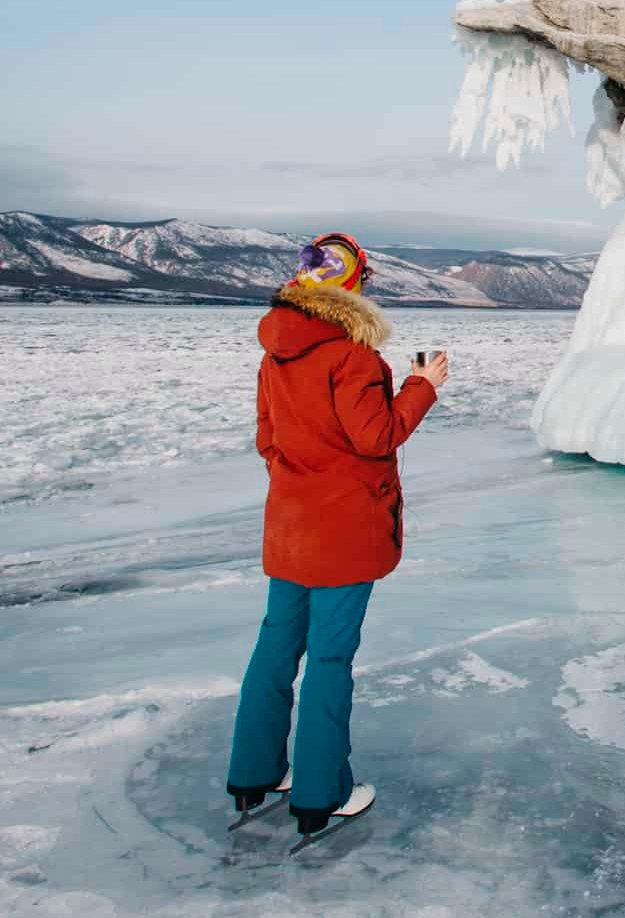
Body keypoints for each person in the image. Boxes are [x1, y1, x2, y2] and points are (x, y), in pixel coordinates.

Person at [224, 231, 451, 836]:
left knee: (276, 648)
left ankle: (255, 774)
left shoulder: (276, 353)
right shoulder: (353, 356)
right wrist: (423, 386)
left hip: (290, 528)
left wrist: (302, 482)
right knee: (328, 656)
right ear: (352, 286)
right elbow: (376, 437)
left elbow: (268, 441)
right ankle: (323, 794)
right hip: (345, 532)